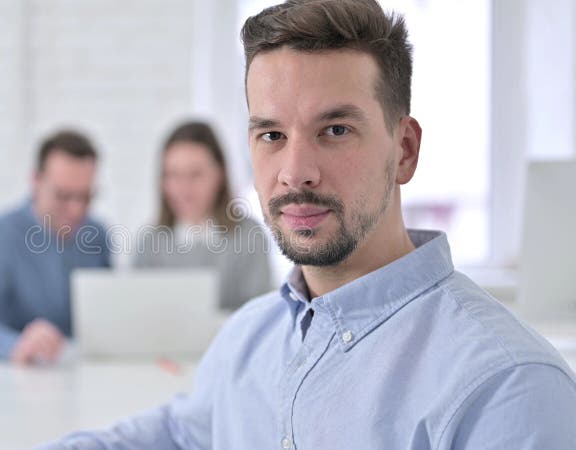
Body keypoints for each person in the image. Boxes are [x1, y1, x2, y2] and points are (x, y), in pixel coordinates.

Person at [38, 0, 576, 448]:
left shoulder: (510, 388)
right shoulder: (247, 339)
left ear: (405, 150)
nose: (295, 174)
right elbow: (181, 434)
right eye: (271, 135)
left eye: (335, 130)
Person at [0, 130, 110, 364]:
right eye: (63, 196)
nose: (76, 210)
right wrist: (16, 344)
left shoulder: (97, 236)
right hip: (13, 378)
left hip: (77, 374)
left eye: (85, 197)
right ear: (36, 180)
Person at [134, 120, 272, 310]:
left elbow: (259, 314)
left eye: (195, 174)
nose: (183, 189)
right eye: (173, 175)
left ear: (219, 175)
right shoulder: (150, 240)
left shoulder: (249, 235)